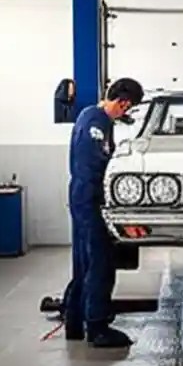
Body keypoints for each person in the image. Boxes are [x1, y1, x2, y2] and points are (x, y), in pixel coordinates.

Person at [62, 77, 145, 347]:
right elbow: (98, 166)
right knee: (99, 262)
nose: (126, 114)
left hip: (84, 196)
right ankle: (97, 327)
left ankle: (75, 320)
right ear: (123, 102)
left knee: (84, 262)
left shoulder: (92, 117)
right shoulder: (96, 122)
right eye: (128, 108)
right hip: (91, 198)